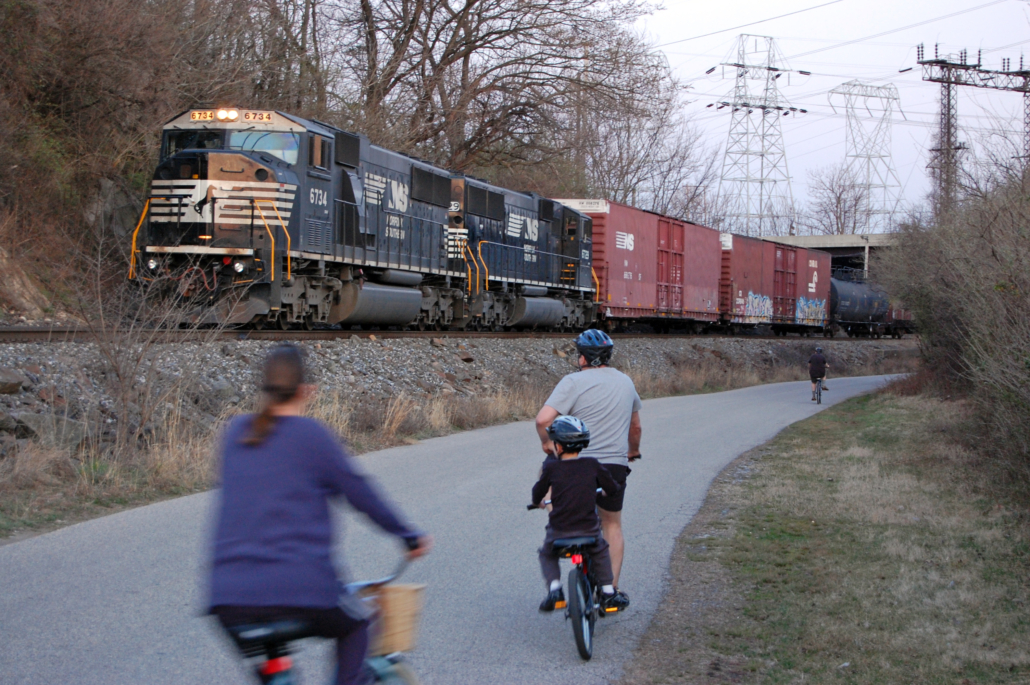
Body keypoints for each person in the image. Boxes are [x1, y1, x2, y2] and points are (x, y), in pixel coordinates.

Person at [207, 344, 431, 685]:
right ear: (305, 390)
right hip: (301, 590)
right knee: (360, 624)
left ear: (263, 387)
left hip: (228, 601)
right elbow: (362, 496)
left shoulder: (235, 432)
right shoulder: (313, 436)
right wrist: (409, 536)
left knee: (274, 666)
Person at [535, 329, 641, 608]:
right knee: (611, 524)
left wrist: (547, 444)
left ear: (582, 357)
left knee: (548, 479)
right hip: (612, 465)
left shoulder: (573, 381)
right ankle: (611, 592)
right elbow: (636, 426)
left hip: (573, 461)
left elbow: (542, 419)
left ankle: (560, 521)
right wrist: (632, 451)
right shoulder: (626, 382)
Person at [531, 416, 627, 612]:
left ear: (557, 446)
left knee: (547, 554)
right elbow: (611, 487)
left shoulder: (550, 468)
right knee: (600, 550)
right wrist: (609, 490)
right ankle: (608, 592)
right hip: (588, 530)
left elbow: (538, 491)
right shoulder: (592, 464)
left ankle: (555, 590)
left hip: (559, 531)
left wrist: (538, 502)